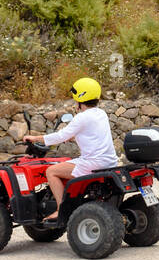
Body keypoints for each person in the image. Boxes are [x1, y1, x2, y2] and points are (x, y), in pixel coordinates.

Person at [22, 77, 118, 222]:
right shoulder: (101, 114)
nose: (75, 103)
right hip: (109, 162)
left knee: (51, 171)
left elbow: (60, 136)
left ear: (80, 98)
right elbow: (92, 134)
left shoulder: (82, 117)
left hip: (93, 163)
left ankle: (61, 209)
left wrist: (34, 138)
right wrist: (73, 137)